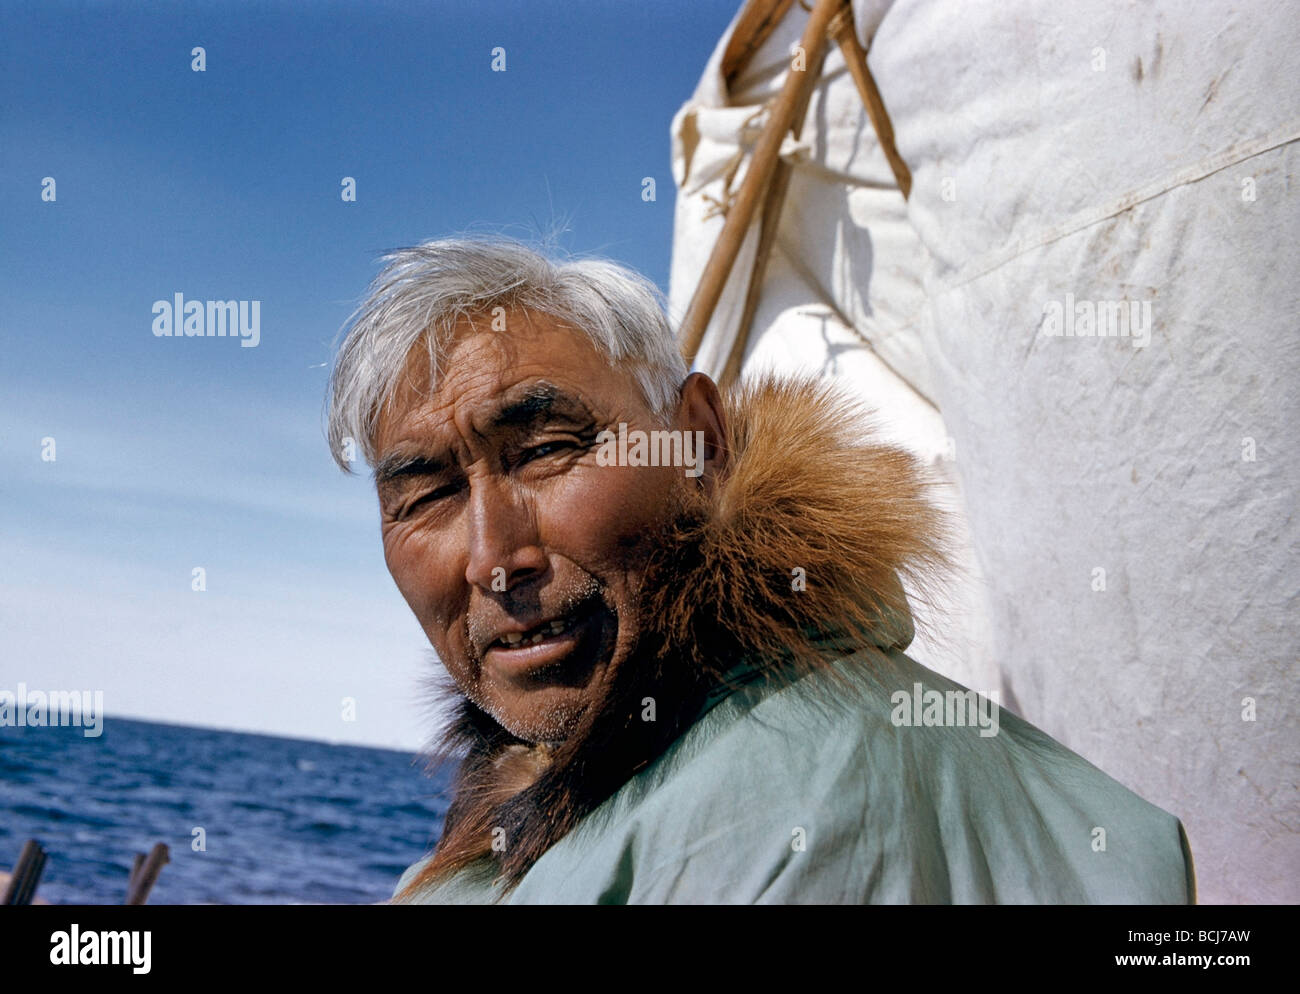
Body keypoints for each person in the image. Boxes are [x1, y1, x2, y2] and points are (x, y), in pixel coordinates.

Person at [326, 236, 1195, 904]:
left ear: (699, 443)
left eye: (549, 450)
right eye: (427, 493)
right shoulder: (579, 776)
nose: (492, 559)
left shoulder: (801, 795)